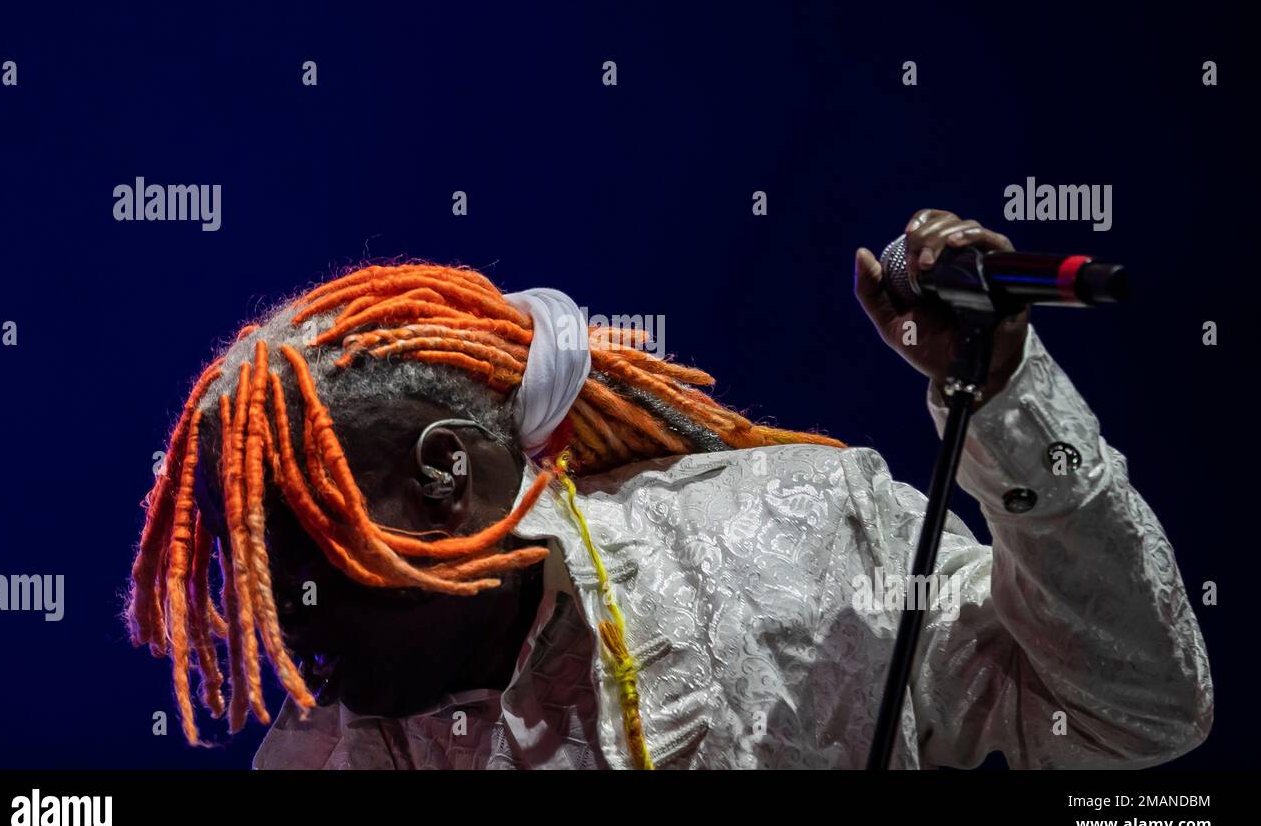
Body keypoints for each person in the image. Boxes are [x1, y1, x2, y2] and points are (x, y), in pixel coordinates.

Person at [125, 209, 1212, 769]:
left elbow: (1139, 716)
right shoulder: (323, 750)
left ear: (446, 475)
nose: (282, 633)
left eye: (297, 557)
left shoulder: (799, 538)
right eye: (247, 583)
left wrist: (1009, 400)